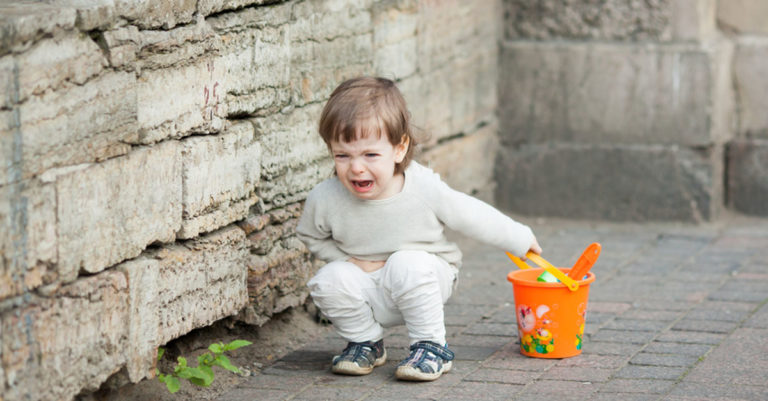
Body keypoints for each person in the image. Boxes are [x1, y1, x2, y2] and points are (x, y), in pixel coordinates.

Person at [296, 76, 541, 382]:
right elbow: (310, 235)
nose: (356, 167)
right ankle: (365, 342)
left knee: (406, 262)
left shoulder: (421, 186)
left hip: (425, 278)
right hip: (369, 283)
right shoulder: (326, 197)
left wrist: (519, 238)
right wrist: (347, 260)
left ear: (399, 149)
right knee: (328, 280)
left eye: (370, 155)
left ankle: (431, 346)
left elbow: (469, 214)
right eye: (342, 155)